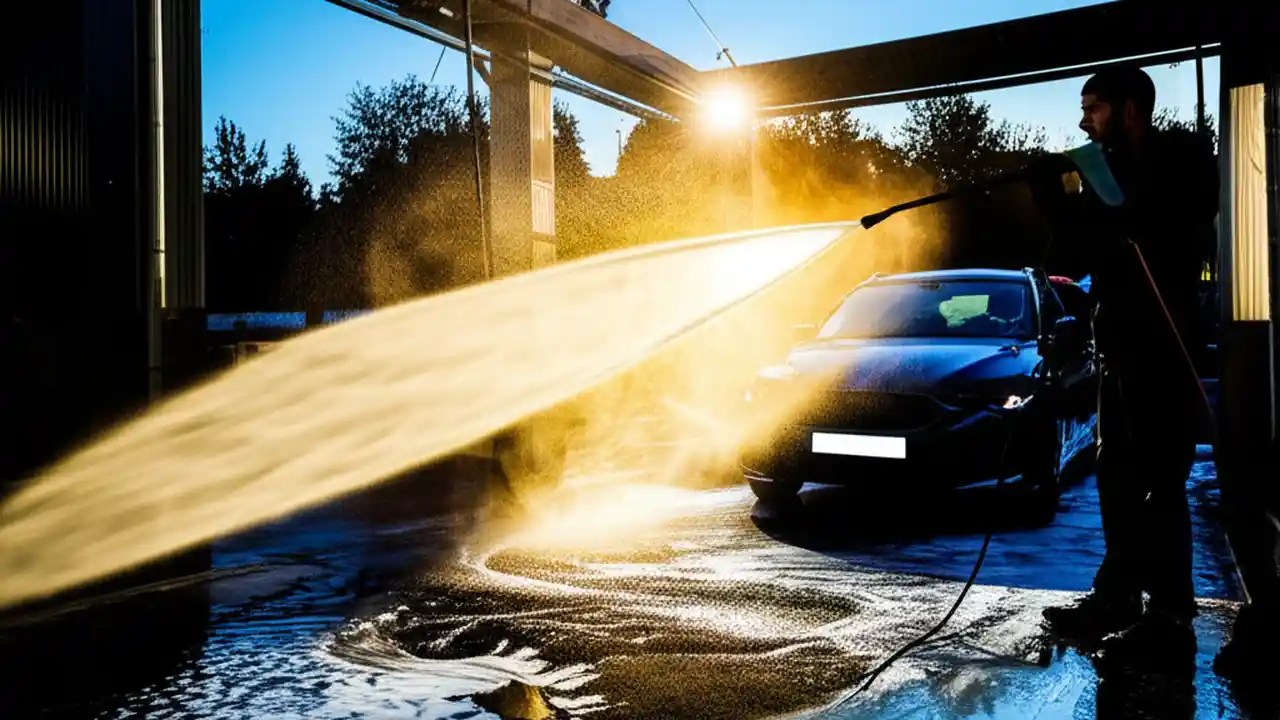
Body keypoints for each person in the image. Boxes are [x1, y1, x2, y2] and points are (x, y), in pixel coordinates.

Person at [1037, 66, 1218, 667]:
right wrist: (1057, 206)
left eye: (1094, 107)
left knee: (1160, 483)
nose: (1084, 120)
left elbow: (1142, 224)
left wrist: (1089, 198)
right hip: (1116, 348)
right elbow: (1083, 249)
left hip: (1162, 349)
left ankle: (1169, 616)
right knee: (1116, 478)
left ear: (1130, 109)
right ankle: (1116, 598)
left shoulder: (1181, 163)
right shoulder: (1105, 173)